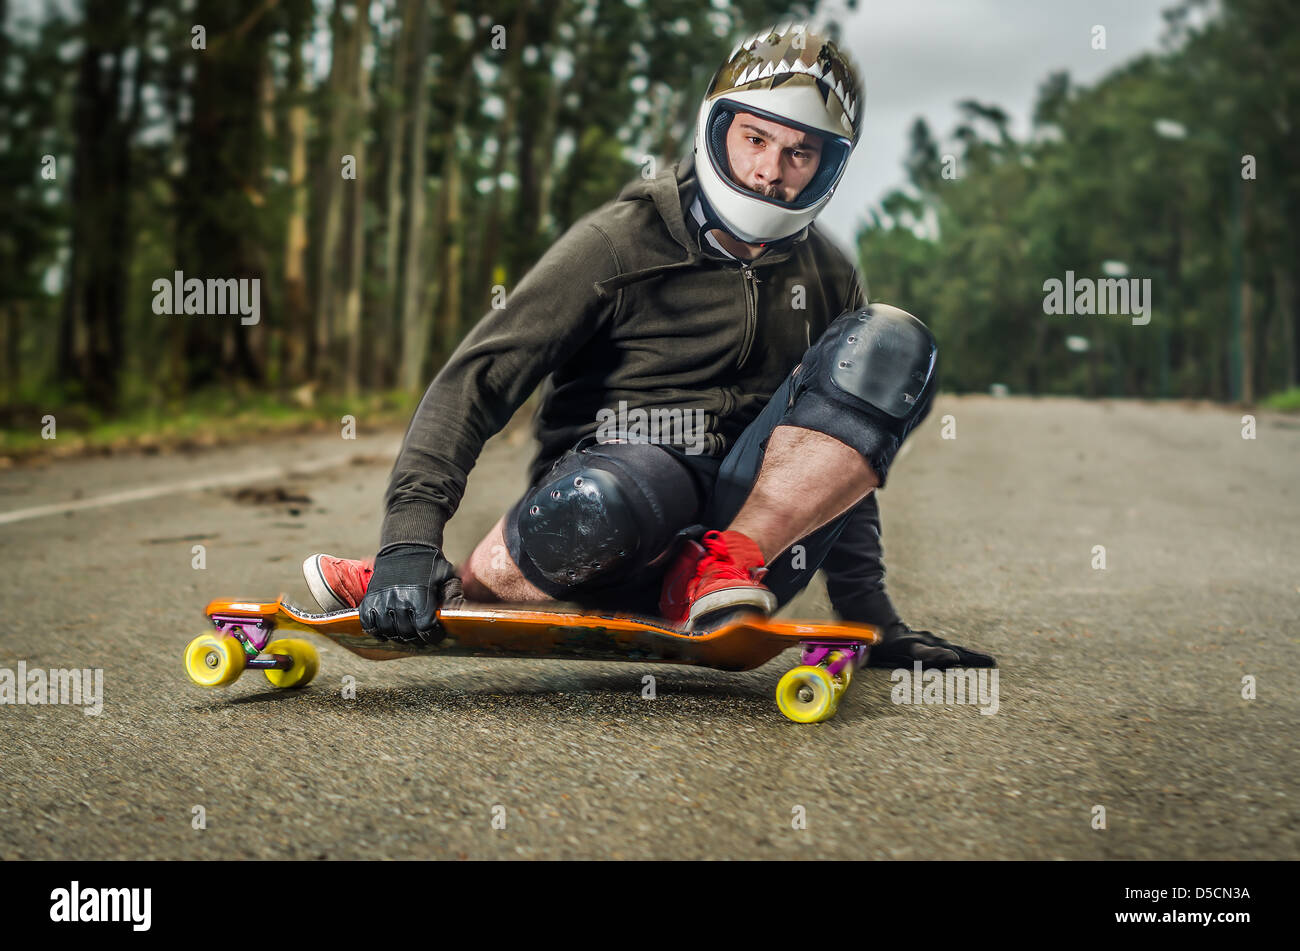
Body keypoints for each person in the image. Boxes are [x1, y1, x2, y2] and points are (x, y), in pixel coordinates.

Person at [303, 22, 994, 669]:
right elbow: (474, 381)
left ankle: (712, 565)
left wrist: (872, 621)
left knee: (892, 340)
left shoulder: (829, 274)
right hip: (605, 521)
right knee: (611, 496)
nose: (769, 171)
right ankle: (433, 584)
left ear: (827, 165)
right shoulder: (618, 242)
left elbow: (839, 454)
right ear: (716, 127)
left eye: (799, 152)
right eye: (755, 139)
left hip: (745, 570)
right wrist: (409, 540)